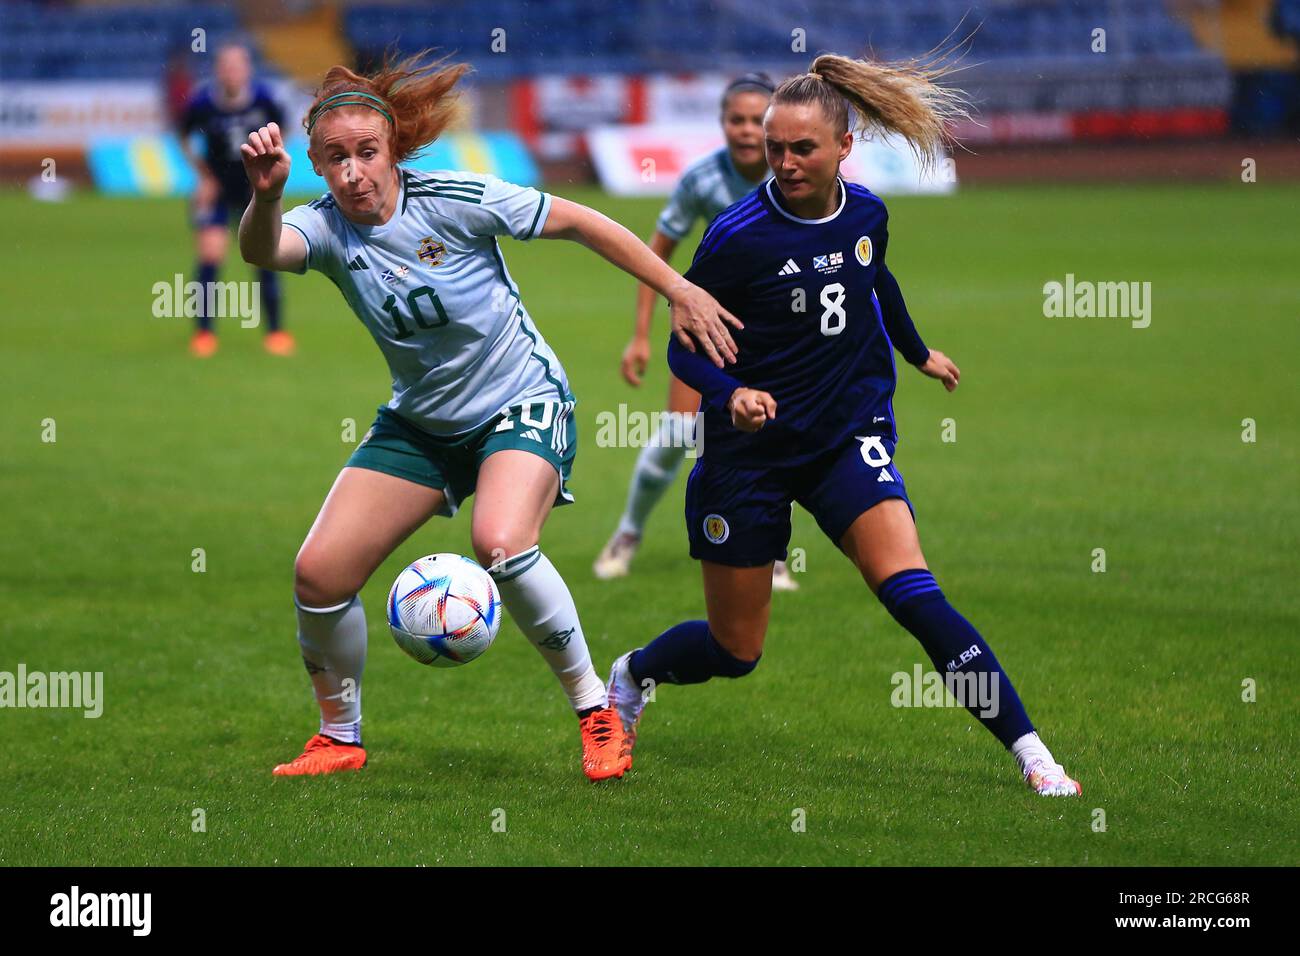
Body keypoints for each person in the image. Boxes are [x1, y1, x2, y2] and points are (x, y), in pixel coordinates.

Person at [236, 52, 740, 781]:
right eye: (335, 158)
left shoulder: (454, 197)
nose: (352, 173)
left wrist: (676, 289)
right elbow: (263, 249)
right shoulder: (320, 226)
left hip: (521, 401)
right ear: (314, 162)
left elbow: (579, 222)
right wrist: (266, 195)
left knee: (500, 541)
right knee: (318, 575)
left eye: (367, 154)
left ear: (393, 151)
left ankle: (597, 710)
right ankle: (340, 738)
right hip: (423, 423)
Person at [605, 53, 1082, 797]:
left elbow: (874, 277)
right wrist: (728, 394)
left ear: (844, 147)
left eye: (804, 149)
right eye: (776, 149)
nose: (787, 163)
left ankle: (1033, 755)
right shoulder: (736, 238)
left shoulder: (866, 213)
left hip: (843, 437)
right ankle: (632, 675)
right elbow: (683, 345)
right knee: (737, 651)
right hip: (749, 457)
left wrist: (918, 351)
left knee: (914, 593)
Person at [593, 73, 799, 592]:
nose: (748, 130)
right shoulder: (702, 179)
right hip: (710, 326)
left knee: (773, 437)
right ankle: (627, 534)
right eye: (738, 119)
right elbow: (654, 255)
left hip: (777, 331)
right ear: (722, 122)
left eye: (758, 120)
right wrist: (640, 336)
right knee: (681, 434)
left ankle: (772, 556)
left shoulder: (795, 176)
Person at [179, 41, 294, 357]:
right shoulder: (203, 103)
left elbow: (284, 128)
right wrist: (203, 177)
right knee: (211, 257)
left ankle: (275, 332)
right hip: (217, 190)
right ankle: (203, 334)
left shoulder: (263, 99)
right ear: (218, 70)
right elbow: (183, 136)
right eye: (226, 66)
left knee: (264, 257)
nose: (231, 72)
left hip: (253, 190)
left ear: (247, 70)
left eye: (237, 66)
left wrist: (271, 167)